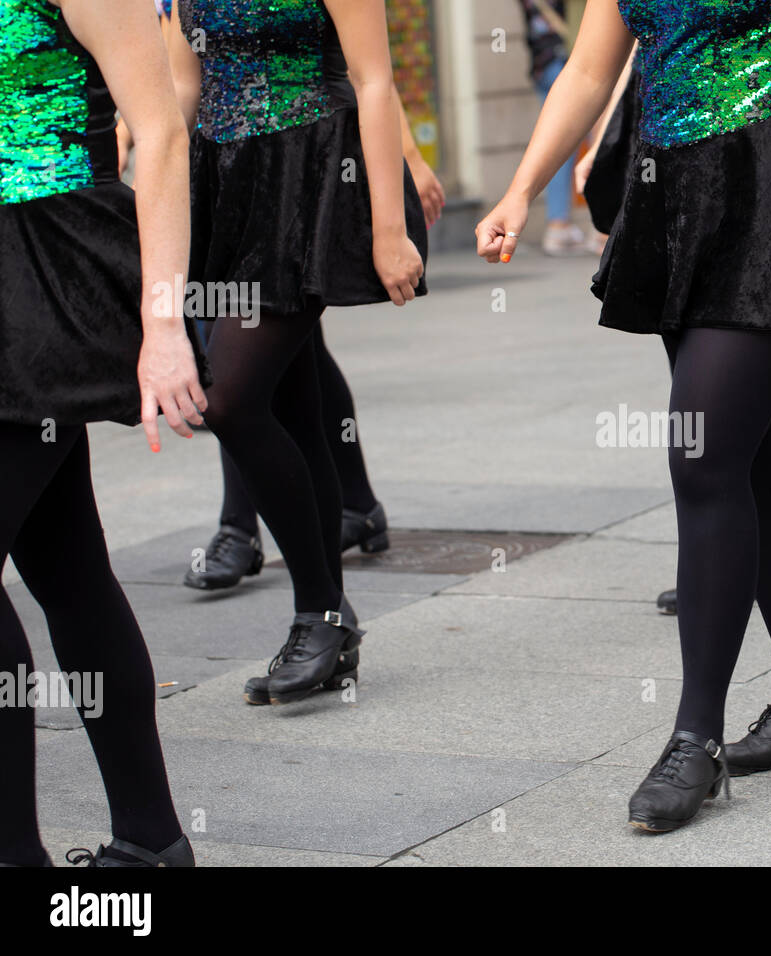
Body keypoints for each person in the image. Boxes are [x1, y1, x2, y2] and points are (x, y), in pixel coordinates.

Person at [478, 0, 771, 831]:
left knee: (702, 461)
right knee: (755, 462)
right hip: (674, 204)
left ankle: (693, 738)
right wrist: (520, 189)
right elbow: (590, 74)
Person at [166, 0, 428, 705]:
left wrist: (386, 228)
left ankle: (320, 611)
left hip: (310, 175)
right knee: (295, 404)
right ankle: (325, 621)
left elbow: (373, 80)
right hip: (224, 182)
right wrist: (157, 206)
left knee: (231, 400)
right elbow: (185, 85)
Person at [0, 0, 208, 867]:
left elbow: (159, 133)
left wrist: (163, 329)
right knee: (68, 566)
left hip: (49, 275)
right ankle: (152, 841)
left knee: (67, 570)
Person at [577, 41, 771, 618]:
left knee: (716, 408)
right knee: (710, 378)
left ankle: (739, 545)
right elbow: (632, 41)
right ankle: (736, 547)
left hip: (755, 142)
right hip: (666, 136)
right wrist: (606, 135)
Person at [517, 0, 592, 256]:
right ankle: (604, 226)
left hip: (544, 64)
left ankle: (558, 222)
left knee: (559, 139)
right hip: (565, 60)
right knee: (597, 136)